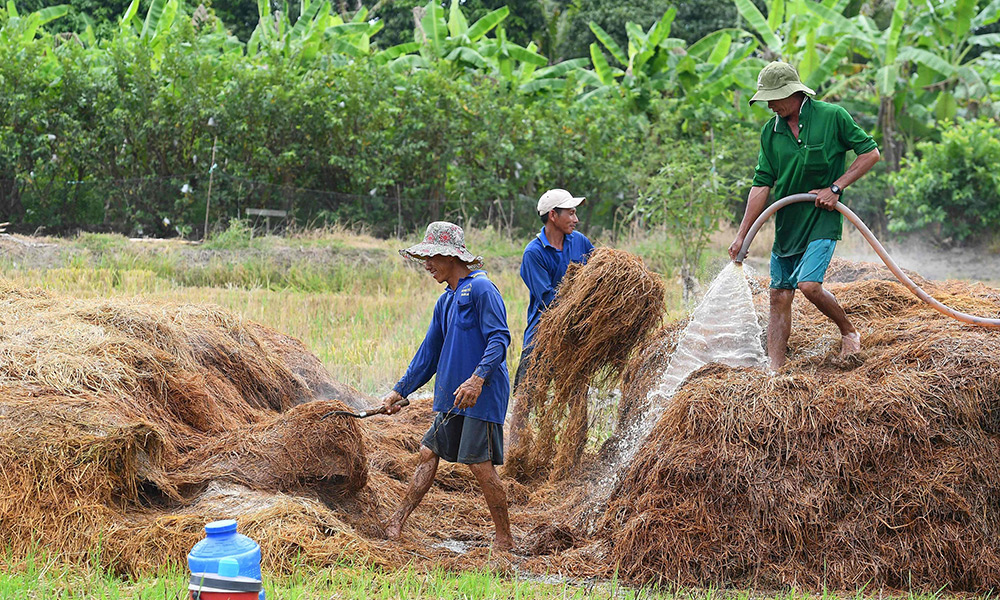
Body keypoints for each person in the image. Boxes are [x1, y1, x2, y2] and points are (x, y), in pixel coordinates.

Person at [729, 61, 881, 370]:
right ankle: (775, 369)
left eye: (774, 98)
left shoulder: (832, 117)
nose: (770, 105)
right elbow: (761, 184)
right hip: (788, 222)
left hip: (822, 217)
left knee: (808, 285)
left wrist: (836, 187)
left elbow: (870, 153)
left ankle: (849, 331)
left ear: (793, 93)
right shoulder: (770, 132)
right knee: (778, 296)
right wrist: (742, 234)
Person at [382, 221, 514, 551]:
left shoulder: (483, 290)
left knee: (480, 467)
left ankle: (504, 537)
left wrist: (477, 378)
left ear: (450, 257)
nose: (426, 265)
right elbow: (429, 353)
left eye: (431, 258)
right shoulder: (446, 300)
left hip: (480, 395)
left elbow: (500, 339)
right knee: (429, 452)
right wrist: (400, 391)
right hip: (453, 396)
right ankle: (396, 523)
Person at [508, 189, 594, 448]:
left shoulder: (579, 242)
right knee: (526, 399)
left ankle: (574, 454)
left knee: (578, 396)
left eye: (575, 213)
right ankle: (515, 452)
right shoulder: (533, 253)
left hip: (575, 335)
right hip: (542, 337)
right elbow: (547, 299)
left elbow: (599, 270)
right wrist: (583, 299)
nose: (576, 219)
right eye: (571, 213)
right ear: (553, 215)